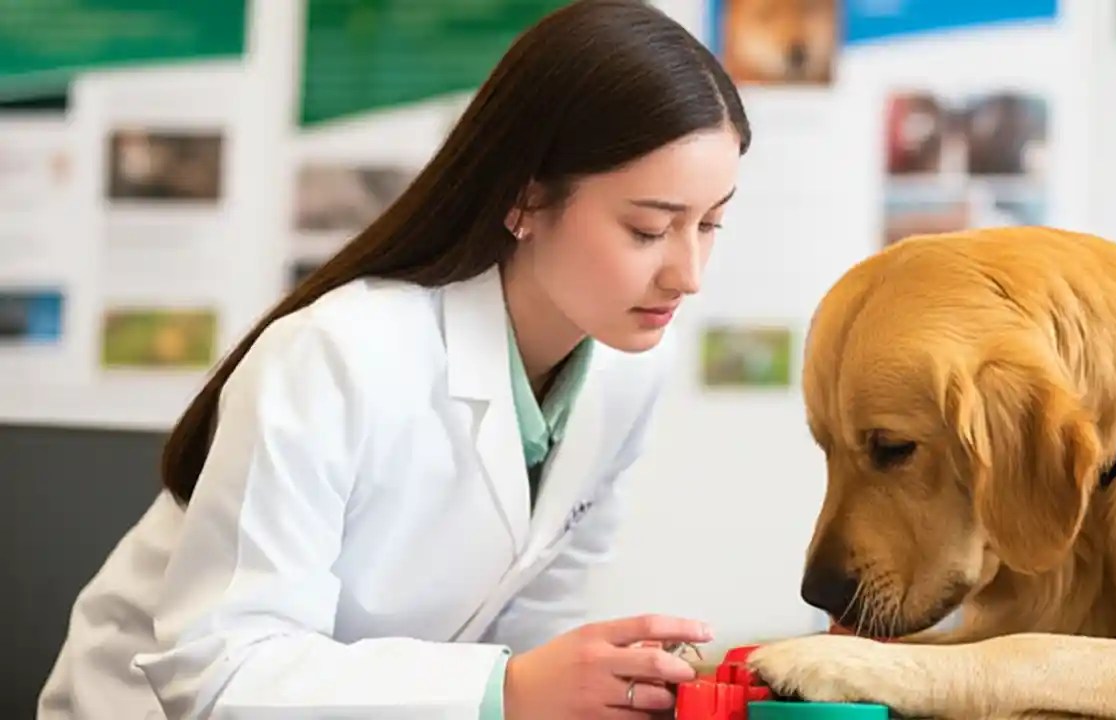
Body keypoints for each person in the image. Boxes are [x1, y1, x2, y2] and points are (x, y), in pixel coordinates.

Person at [36, 1, 751, 717]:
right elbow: (224, 676)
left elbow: (538, 628)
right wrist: (507, 690)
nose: (688, 274)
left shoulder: (632, 369)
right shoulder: (337, 355)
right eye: (649, 228)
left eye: (711, 223)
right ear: (525, 198)